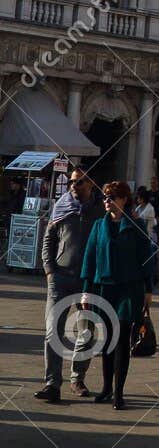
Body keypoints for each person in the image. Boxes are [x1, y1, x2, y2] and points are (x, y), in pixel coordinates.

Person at [79, 182, 157, 411]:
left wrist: (148, 290)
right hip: (104, 288)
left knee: (122, 338)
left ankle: (119, 392)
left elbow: (147, 259)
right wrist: (86, 291)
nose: (106, 200)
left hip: (128, 290)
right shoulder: (98, 226)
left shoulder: (137, 225)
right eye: (105, 196)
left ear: (123, 199)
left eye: (111, 196)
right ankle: (106, 388)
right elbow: (89, 258)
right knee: (107, 339)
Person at [35, 168, 101, 404]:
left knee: (87, 333)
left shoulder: (100, 211)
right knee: (53, 332)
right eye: (72, 181)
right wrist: (49, 269)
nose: (74, 185)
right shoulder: (62, 207)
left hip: (88, 281)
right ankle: (52, 383)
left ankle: (77, 378)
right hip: (60, 278)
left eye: (80, 181)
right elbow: (49, 239)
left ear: (91, 184)